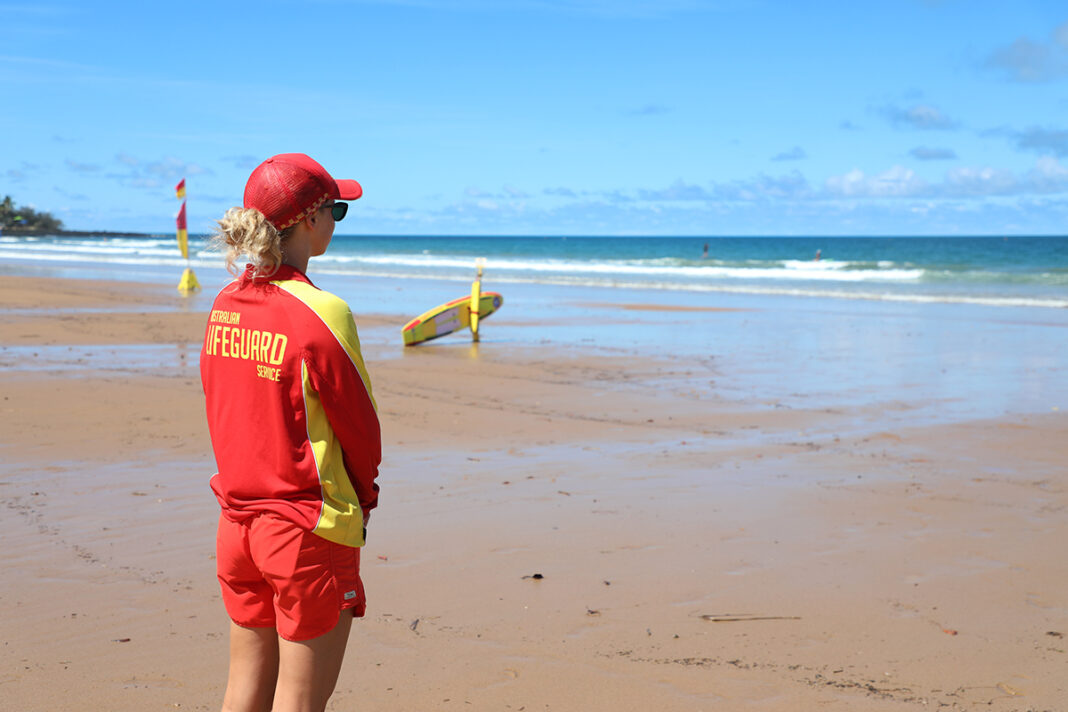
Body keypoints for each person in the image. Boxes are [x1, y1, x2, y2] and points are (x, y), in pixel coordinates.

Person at [200, 153, 381, 712]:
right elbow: (360, 431)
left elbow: (224, 403)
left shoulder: (224, 303)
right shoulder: (323, 312)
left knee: (244, 691)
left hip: (237, 524)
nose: (336, 221)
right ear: (309, 219)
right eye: (336, 210)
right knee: (300, 701)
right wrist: (364, 502)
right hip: (307, 527)